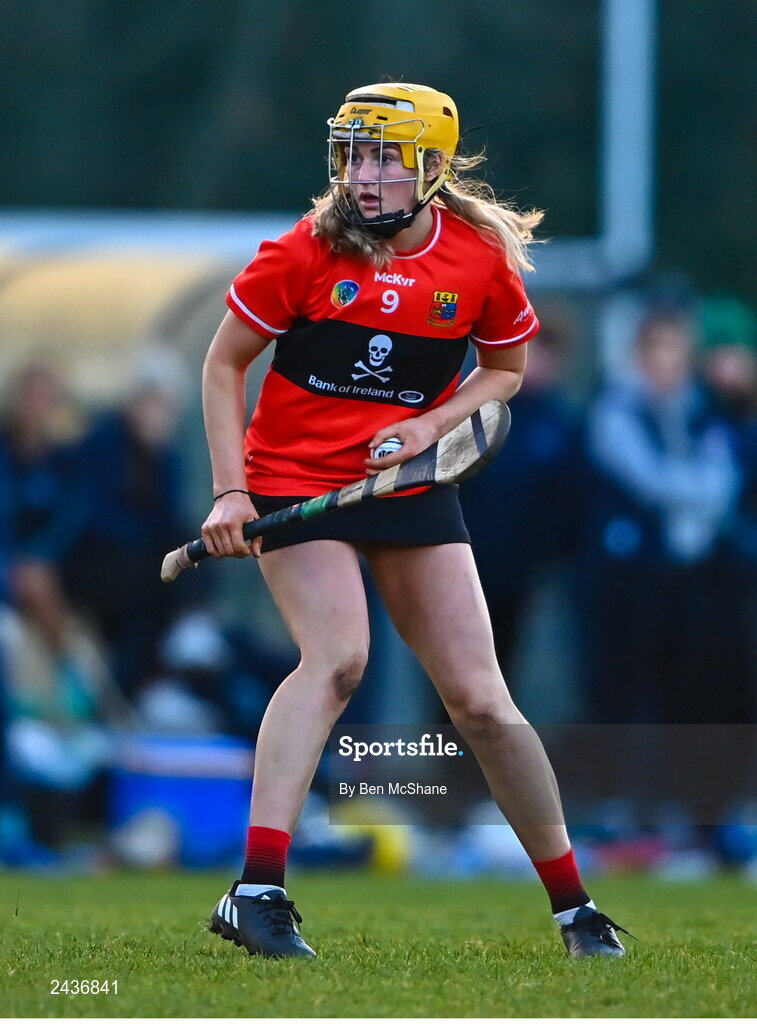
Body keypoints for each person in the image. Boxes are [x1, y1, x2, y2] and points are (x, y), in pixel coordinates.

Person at [200, 83, 629, 959]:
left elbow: (503, 371)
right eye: (354, 153)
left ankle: (575, 909)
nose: (364, 173)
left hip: (405, 483)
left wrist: (430, 428)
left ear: (430, 167)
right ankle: (256, 890)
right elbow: (221, 365)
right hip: (294, 481)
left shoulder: (474, 261)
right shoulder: (302, 253)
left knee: (478, 698)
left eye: (385, 155)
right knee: (337, 660)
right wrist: (230, 491)